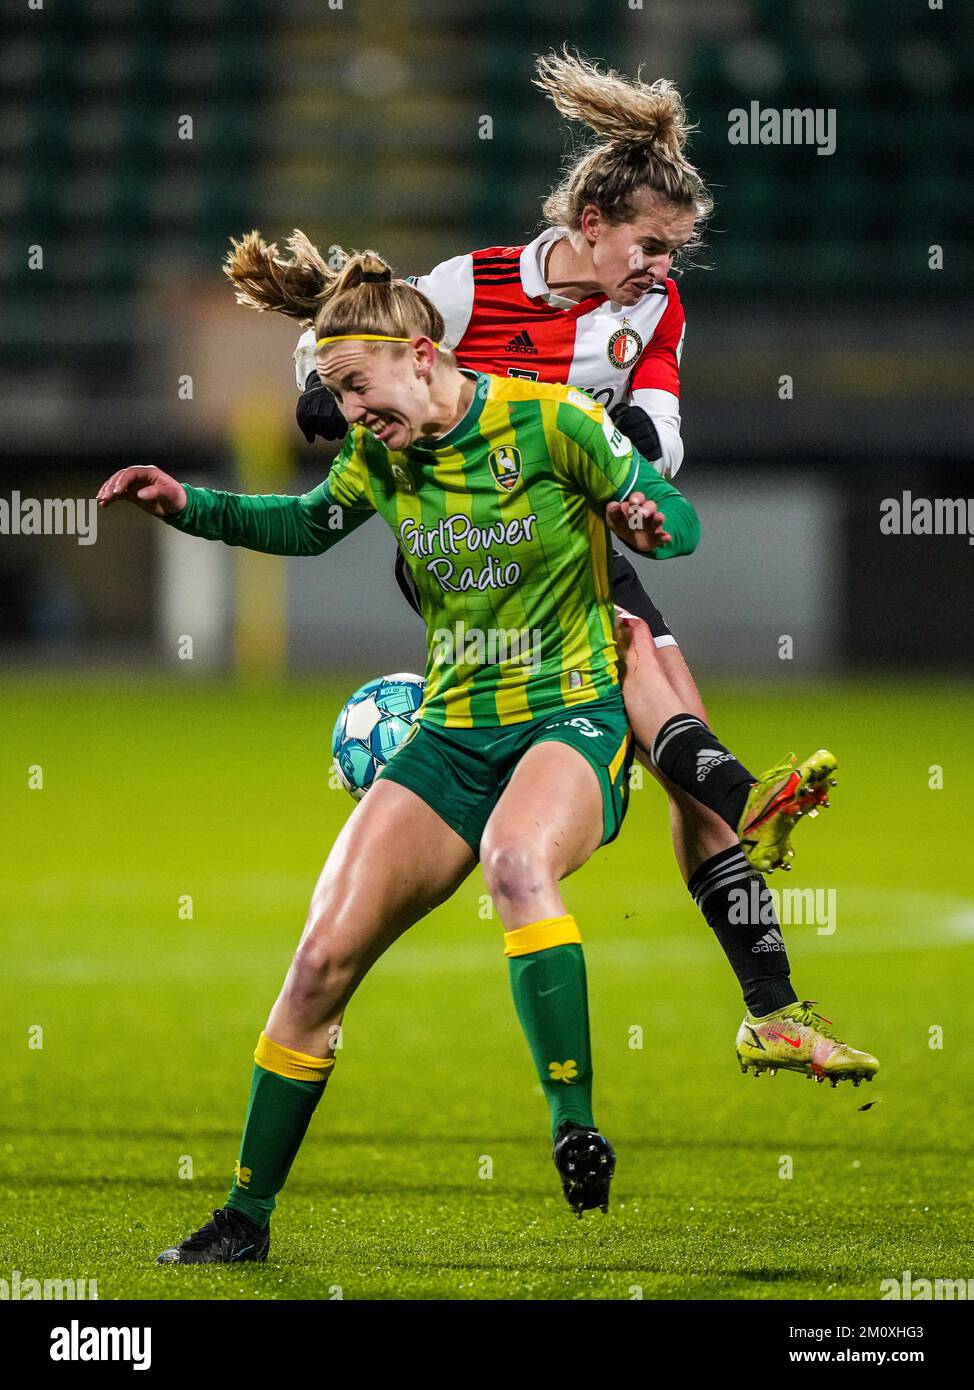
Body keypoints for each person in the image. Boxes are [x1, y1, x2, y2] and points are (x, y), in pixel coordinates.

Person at [227, 50, 879, 1087]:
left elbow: (662, 438)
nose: (663, 266)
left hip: (577, 534)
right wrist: (314, 385)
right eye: (649, 246)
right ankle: (742, 792)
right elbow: (346, 341)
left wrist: (626, 440)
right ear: (587, 225)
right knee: (645, 689)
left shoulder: (650, 312)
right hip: (474, 548)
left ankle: (771, 1008)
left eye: (676, 251)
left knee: (687, 775)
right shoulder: (470, 287)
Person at [97, 251, 703, 1261]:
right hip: (449, 734)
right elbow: (303, 525)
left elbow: (671, 520)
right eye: (333, 393)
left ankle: (573, 1126)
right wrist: (186, 504)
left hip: (570, 720)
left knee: (518, 861)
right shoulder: (383, 455)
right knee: (319, 959)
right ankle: (243, 1219)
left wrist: (646, 517)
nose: (345, 412)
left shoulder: (548, 424)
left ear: (423, 357)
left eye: (354, 388)